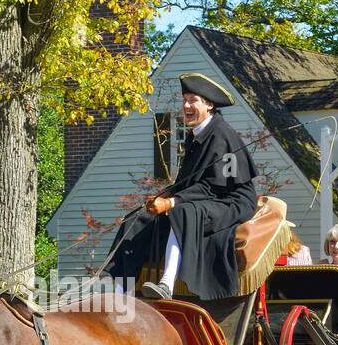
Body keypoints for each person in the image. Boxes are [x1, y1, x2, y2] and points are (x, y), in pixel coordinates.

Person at [102, 73, 259, 300]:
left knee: (182, 212)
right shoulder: (194, 136)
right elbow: (189, 181)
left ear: (209, 104)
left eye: (192, 100)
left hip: (232, 200)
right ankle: (120, 290)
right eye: (184, 100)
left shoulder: (223, 135)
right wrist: (164, 194)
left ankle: (167, 284)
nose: (186, 106)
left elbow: (215, 187)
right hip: (204, 197)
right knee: (137, 218)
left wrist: (172, 201)